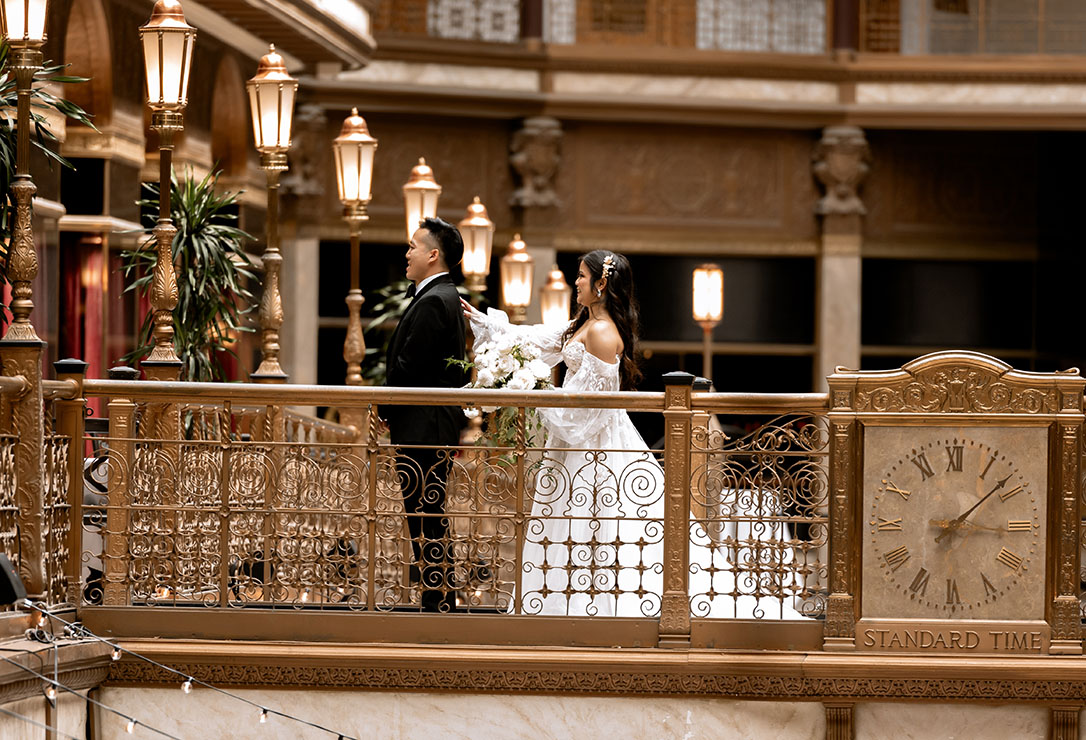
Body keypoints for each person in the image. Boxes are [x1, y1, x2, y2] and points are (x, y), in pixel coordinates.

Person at [464, 249, 806, 618]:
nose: (574, 281)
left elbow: (588, 411)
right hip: (570, 444)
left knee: (600, 529)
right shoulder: (582, 323)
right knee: (571, 528)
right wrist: (487, 323)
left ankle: (597, 610)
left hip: (594, 446)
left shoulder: (602, 332)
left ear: (601, 283)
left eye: (580, 275)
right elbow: (536, 340)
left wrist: (534, 397)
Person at [384, 217, 467, 613]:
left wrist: (383, 405)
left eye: (413, 246)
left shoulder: (436, 299)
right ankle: (439, 593)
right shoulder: (440, 295)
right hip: (425, 421)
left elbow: (409, 368)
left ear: (433, 255)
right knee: (426, 511)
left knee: (426, 511)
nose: (407, 253)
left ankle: (437, 598)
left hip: (424, 423)